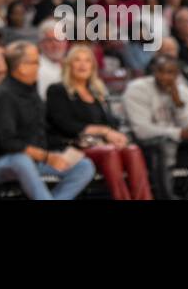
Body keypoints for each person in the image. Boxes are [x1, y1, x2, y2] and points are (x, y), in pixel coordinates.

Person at [0, 42, 96, 200]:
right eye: (36, 62)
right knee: (22, 161)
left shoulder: (31, 90)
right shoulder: (5, 95)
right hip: (2, 163)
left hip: (37, 161)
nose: (39, 66)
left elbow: (42, 131)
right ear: (22, 67)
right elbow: (9, 143)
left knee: (84, 165)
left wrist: (69, 146)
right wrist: (47, 157)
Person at [46, 46, 152, 200]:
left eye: (87, 61)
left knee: (132, 149)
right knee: (110, 152)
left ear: (93, 66)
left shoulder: (97, 91)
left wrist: (116, 135)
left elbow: (111, 123)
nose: (83, 65)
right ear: (69, 65)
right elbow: (65, 124)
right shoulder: (57, 90)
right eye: (77, 60)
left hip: (102, 144)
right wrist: (103, 131)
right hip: (74, 146)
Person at [122, 55, 188, 199]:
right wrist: (179, 133)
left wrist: (178, 104)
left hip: (178, 140)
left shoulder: (183, 91)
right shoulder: (136, 89)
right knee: (167, 145)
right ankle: (168, 196)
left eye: (171, 73)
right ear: (153, 71)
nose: (165, 77)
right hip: (146, 143)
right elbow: (141, 131)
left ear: (178, 74)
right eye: (161, 71)